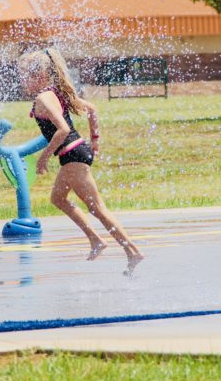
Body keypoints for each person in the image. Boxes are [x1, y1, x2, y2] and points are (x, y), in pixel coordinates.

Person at [18, 47, 144, 274]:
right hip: (77, 152)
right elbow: (92, 109)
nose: (22, 81)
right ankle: (97, 240)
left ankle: (132, 251)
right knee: (58, 198)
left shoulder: (44, 97)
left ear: (39, 75)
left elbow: (63, 130)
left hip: (73, 154)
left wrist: (43, 159)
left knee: (97, 208)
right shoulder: (54, 92)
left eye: (25, 76)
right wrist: (94, 141)